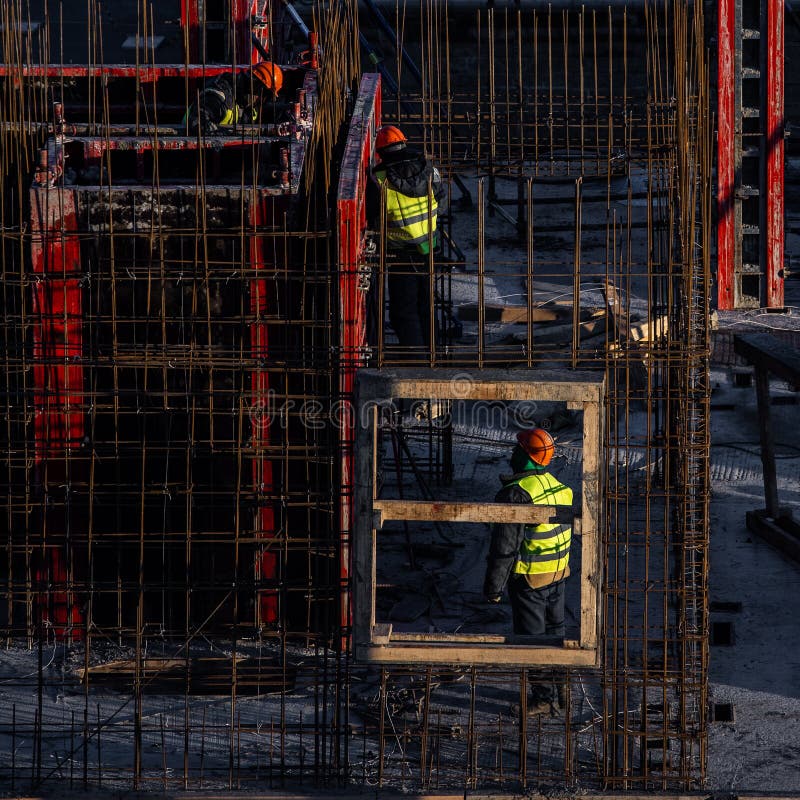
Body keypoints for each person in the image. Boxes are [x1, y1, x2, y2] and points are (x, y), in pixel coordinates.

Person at [483, 427, 573, 713]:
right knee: (556, 633)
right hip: (558, 575)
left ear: (526, 454)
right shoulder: (560, 487)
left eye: (517, 448)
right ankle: (562, 686)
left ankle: (544, 698)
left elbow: (505, 547)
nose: (512, 452)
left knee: (532, 639)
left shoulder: (518, 494)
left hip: (530, 580)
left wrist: (493, 589)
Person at [367, 125, 446, 356]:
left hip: (400, 253)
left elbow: (372, 216)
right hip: (428, 248)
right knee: (426, 305)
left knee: (403, 310)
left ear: (380, 151)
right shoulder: (429, 169)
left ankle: (415, 360)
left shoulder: (379, 178)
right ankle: (433, 351)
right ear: (403, 142)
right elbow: (442, 202)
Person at [185, 62, 284, 134]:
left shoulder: (251, 106)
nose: (263, 100)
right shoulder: (219, 98)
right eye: (265, 94)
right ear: (253, 85)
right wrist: (213, 132)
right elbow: (196, 122)